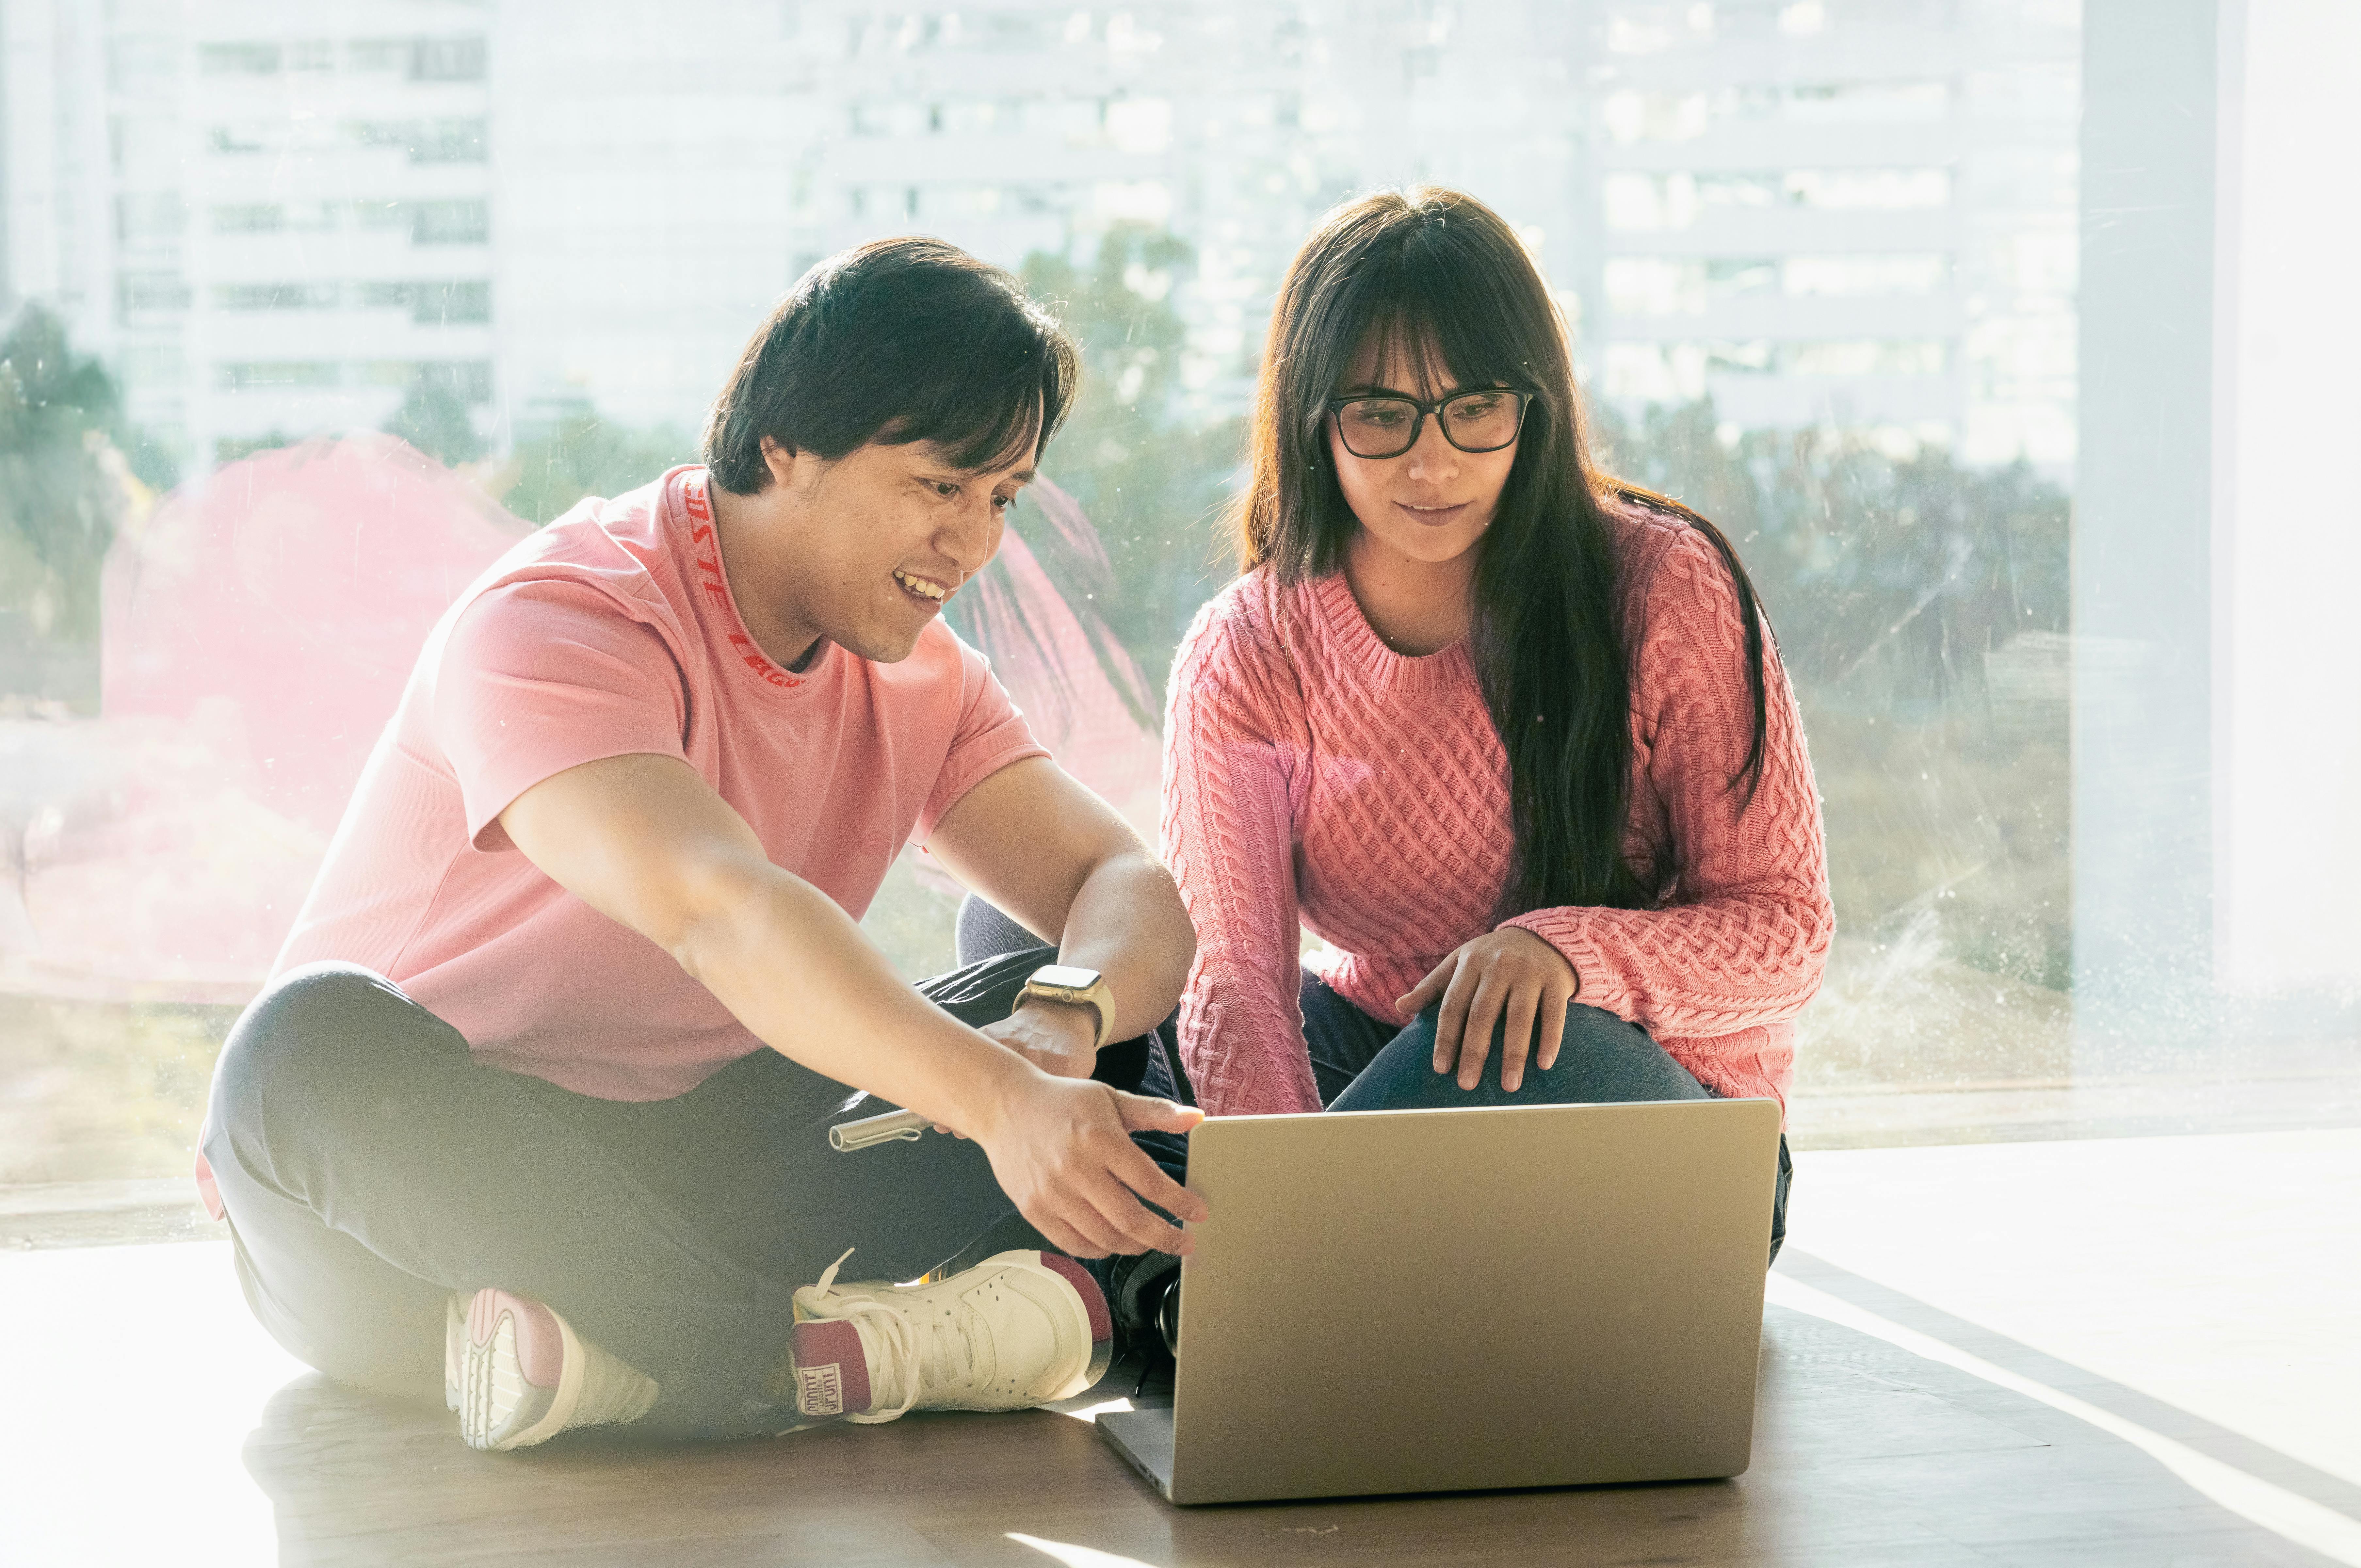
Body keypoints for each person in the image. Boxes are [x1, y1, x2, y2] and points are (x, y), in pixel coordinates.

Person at [195, 238, 1208, 1453]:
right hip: (418, 1193)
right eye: (941, 486)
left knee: (1076, 1012)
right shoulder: (563, 617)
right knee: (296, 1049)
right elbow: (716, 908)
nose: (974, 543)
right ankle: (845, 1351)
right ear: (787, 442)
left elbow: (1126, 883)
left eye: (1003, 499)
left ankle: (646, 1363)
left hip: (700, 1174)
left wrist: (1059, 1022)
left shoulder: (923, 675)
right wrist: (1000, 1102)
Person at [1160, 188, 1832, 1256]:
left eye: (1476, 408)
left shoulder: (1664, 590)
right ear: (1311, 419)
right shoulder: (1246, 650)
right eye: (1380, 416)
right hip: (1381, 1069)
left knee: (1528, 1042)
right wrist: (1282, 1179)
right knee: (1083, 987)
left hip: (1646, 1110)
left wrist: (1566, 955)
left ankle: (1226, 1291)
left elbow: (1787, 930)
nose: (1433, 463)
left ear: (1535, 406)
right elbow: (1235, 979)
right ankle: (1274, 1276)